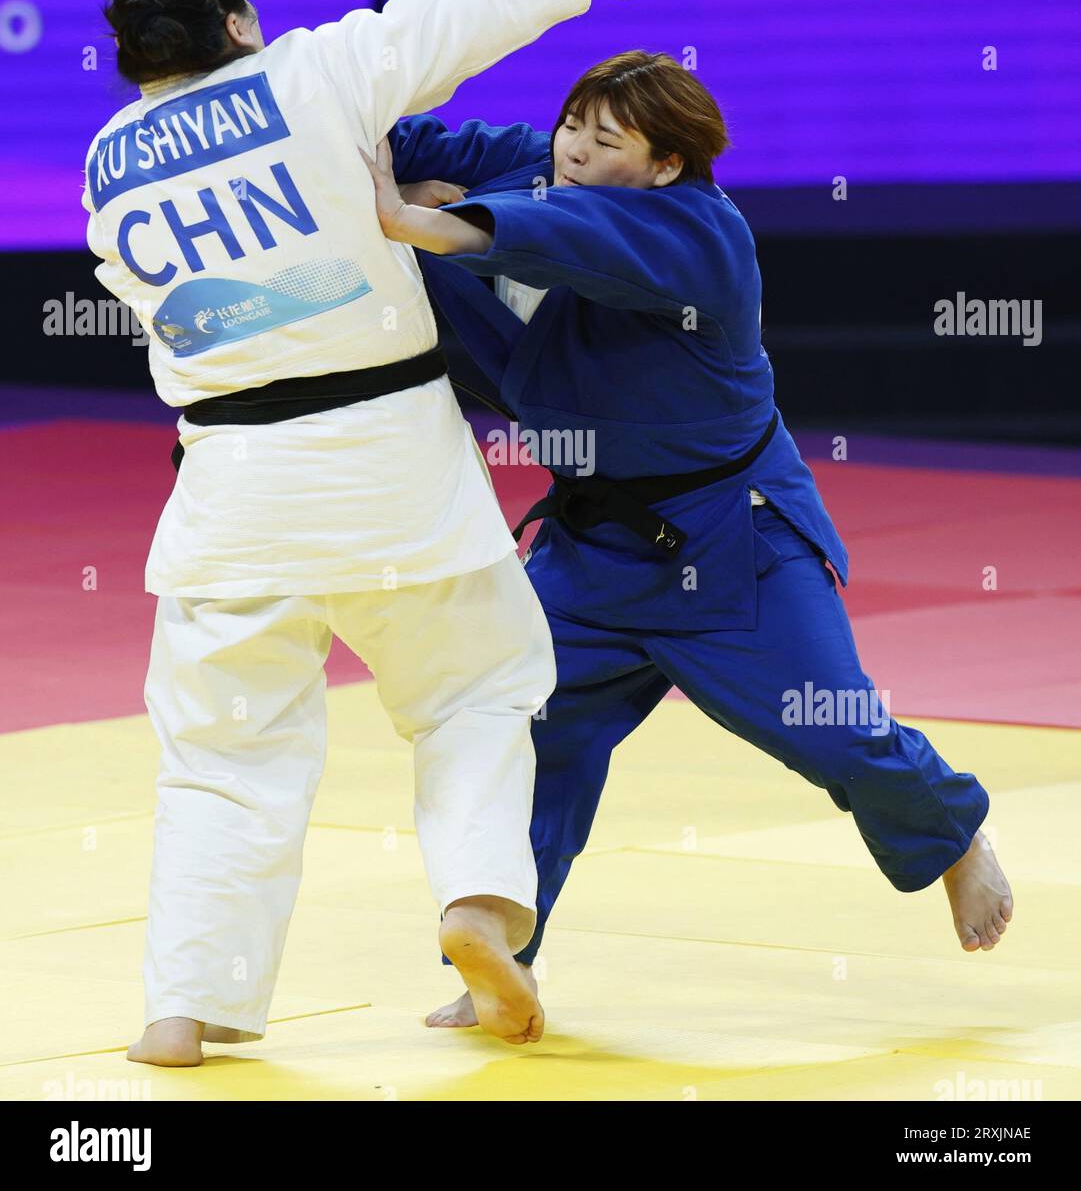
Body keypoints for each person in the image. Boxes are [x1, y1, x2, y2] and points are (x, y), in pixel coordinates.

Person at [82, 0, 711, 1064]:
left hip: (232, 488)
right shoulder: (308, 73)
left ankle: (185, 1006)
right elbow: (452, 8)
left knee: (222, 756)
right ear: (235, 23)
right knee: (480, 688)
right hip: (388, 465)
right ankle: (477, 900)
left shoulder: (105, 164)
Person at [361, 51, 1015, 1031]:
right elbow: (407, 140)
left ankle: (953, 834)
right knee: (528, 737)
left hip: (730, 540)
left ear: (665, 166)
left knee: (834, 727)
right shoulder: (533, 164)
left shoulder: (699, 235)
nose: (574, 148)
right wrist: (354, 146)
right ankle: (500, 950)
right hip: (589, 550)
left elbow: (560, 238)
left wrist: (413, 218)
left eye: (606, 139)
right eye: (572, 123)